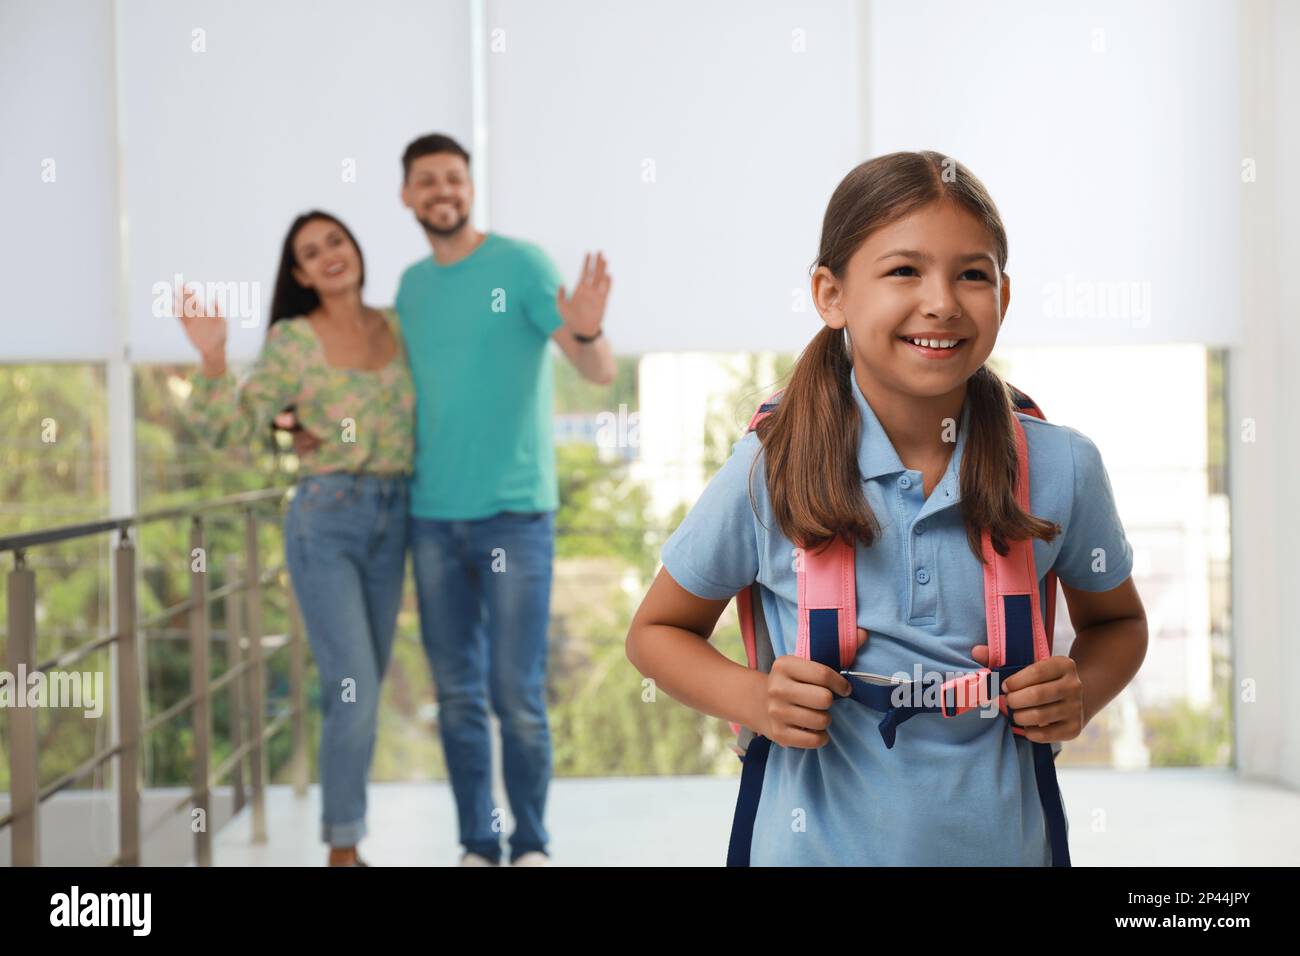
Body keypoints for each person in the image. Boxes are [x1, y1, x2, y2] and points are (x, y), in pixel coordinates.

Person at [625, 151, 1149, 865]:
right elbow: (656, 632)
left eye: (973, 274)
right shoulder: (769, 471)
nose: (942, 301)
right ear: (830, 294)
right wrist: (752, 700)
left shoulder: (1062, 468)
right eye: (904, 270)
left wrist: (1080, 689)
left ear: (1003, 294)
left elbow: (1117, 622)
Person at [398, 133, 614, 866]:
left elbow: (595, 367)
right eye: (427, 181)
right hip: (430, 517)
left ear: (470, 186)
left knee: (515, 698)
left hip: (515, 517)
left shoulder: (521, 265)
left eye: (453, 178)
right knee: (457, 699)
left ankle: (531, 845)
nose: (442, 191)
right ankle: (478, 844)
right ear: (407, 195)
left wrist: (586, 324)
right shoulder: (411, 286)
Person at [177, 211, 415, 867]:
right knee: (355, 689)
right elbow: (231, 432)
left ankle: (348, 838)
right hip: (325, 519)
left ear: (355, 247)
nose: (328, 255)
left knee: (363, 689)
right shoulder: (291, 340)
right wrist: (214, 357)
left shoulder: (398, 326)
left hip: (396, 519)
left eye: (335, 240)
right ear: (300, 273)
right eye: (311, 252)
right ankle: (344, 850)